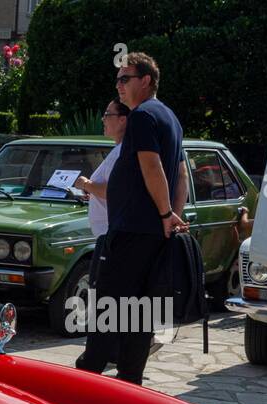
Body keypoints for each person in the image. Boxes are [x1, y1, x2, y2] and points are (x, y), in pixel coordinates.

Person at [75, 52, 188, 386]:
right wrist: (169, 216)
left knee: (108, 310)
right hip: (153, 233)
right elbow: (181, 174)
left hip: (131, 232)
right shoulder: (171, 117)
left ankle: (85, 384)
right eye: (118, 79)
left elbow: (152, 166)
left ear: (146, 81)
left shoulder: (142, 116)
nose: (119, 86)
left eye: (125, 79)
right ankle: (129, 384)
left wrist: (167, 213)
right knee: (140, 314)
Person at [73, 98, 129, 237]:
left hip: (111, 234)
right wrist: (93, 193)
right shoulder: (121, 150)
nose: (103, 119)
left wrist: (86, 184)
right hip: (110, 233)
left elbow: (111, 191)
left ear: (123, 119)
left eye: (108, 115)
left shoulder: (120, 153)